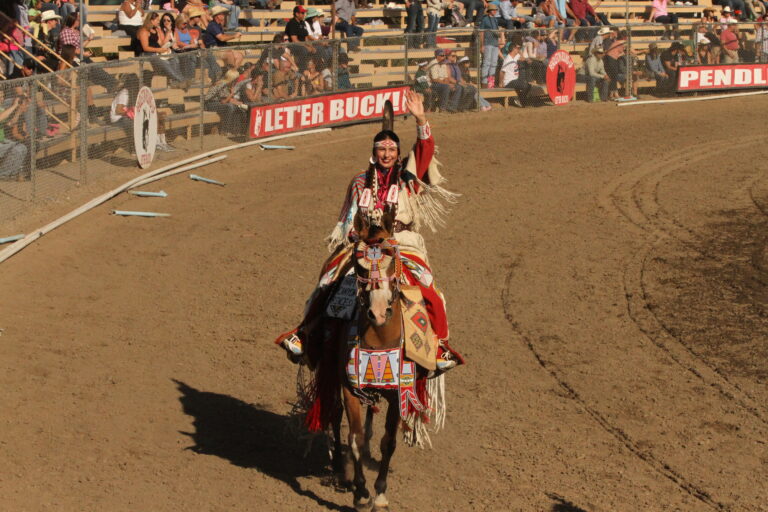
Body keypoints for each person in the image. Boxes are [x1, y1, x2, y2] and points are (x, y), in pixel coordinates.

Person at [275, 90, 464, 433]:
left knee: (430, 291)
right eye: (382, 149)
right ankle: (304, 334)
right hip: (362, 244)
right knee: (328, 284)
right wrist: (353, 242)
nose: (388, 154)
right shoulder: (360, 182)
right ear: (373, 152)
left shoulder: (409, 178)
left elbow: (425, 151)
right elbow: (347, 219)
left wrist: (421, 120)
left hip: (401, 244)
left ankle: (439, 348)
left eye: (392, 149)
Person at [110, 73, 175, 152]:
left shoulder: (134, 92)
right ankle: (135, 147)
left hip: (129, 115)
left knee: (159, 117)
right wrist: (130, 112)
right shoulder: (125, 93)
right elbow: (118, 110)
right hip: (118, 118)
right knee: (134, 123)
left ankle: (162, 142)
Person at [136, 12, 187, 86]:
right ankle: (181, 80)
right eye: (157, 20)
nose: (158, 22)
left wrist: (166, 47)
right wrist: (158, 50)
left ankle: (176, 81)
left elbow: (161, 44)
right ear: (151, 20)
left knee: (174, 58)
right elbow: (145, 47)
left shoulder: (155, 29)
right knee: (165, 63)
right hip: (147, 53)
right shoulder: (144, 31)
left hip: (157, 51)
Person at [201, 5, 244, 71]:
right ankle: (229, 74)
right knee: (229, 54)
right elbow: (222, 38)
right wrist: (234, 36)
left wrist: (232, 35)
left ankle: (232, 73)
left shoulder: (218, 25)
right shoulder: (212, 25)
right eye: (221, 14)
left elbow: (223, 36)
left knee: (239, 55)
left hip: (221, 48)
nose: (223, 15)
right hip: (213, 50)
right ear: (216, 16)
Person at [0, 90, 28, 181]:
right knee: (16, 149)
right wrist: (14, 105)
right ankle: (3, 174)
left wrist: (18, 112)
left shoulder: (2, 109)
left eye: (3, 96)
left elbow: (10, 124)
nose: (2, 99)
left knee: (22, 148)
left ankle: (12, 173)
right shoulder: (3, 111)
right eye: (0, 97)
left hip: (2, 140)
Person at [500, 41, 531, 107]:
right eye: (517, 48)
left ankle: (520, 99)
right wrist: (501, 82)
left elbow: (523, 58)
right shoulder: (507, 59)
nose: (518, 50)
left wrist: (526, 59)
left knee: (528, 85)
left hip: (515, 80)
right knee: (525, 85)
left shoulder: (516, 56)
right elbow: (502, 72)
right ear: (513, 49)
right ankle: (521, 100)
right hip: (509, 82)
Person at [479, 3, 503, 88]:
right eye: (493, 10)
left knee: (494, 63)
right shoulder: (485, 19)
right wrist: (482, 45)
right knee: (486, 63)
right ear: (490, 11)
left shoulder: (495, 20)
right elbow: (481, 32)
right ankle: (484, 82)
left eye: (496, 10)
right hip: (488, 43)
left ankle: (490, 83)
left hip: (495, 44)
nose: (495, 11)